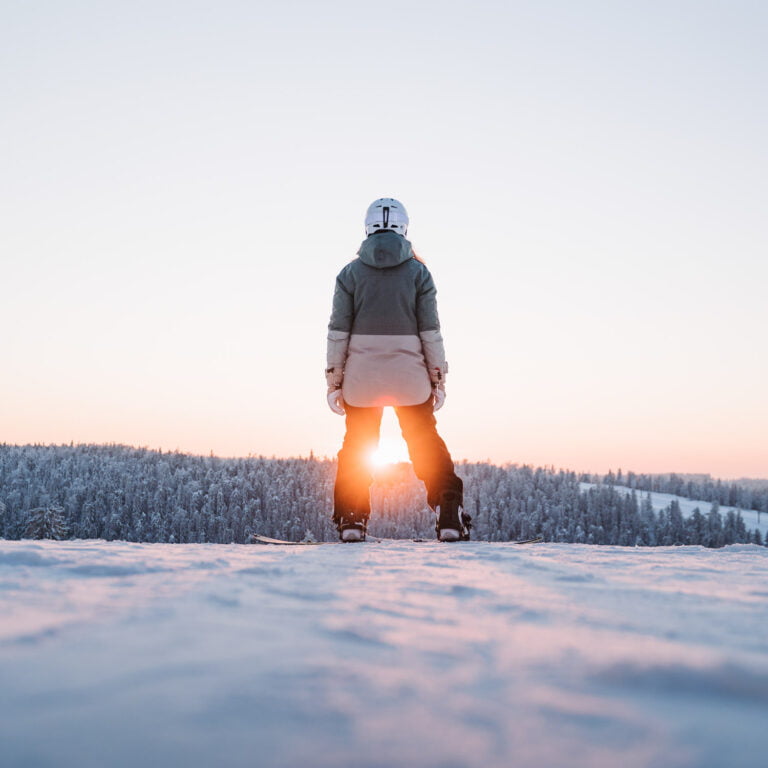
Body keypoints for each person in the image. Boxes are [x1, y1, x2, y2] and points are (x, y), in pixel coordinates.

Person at [325, 198, 471, 543]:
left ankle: (351, 518)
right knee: (425, 444)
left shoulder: (349, 274)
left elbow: (337, 334)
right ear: (405, 227)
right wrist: (438, 379)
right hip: (411, 379)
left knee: (358, 446)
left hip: (361, 380)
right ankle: (449, 515)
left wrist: (334, 381)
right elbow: (430, 334)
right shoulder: (420, 273)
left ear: (367, 227)